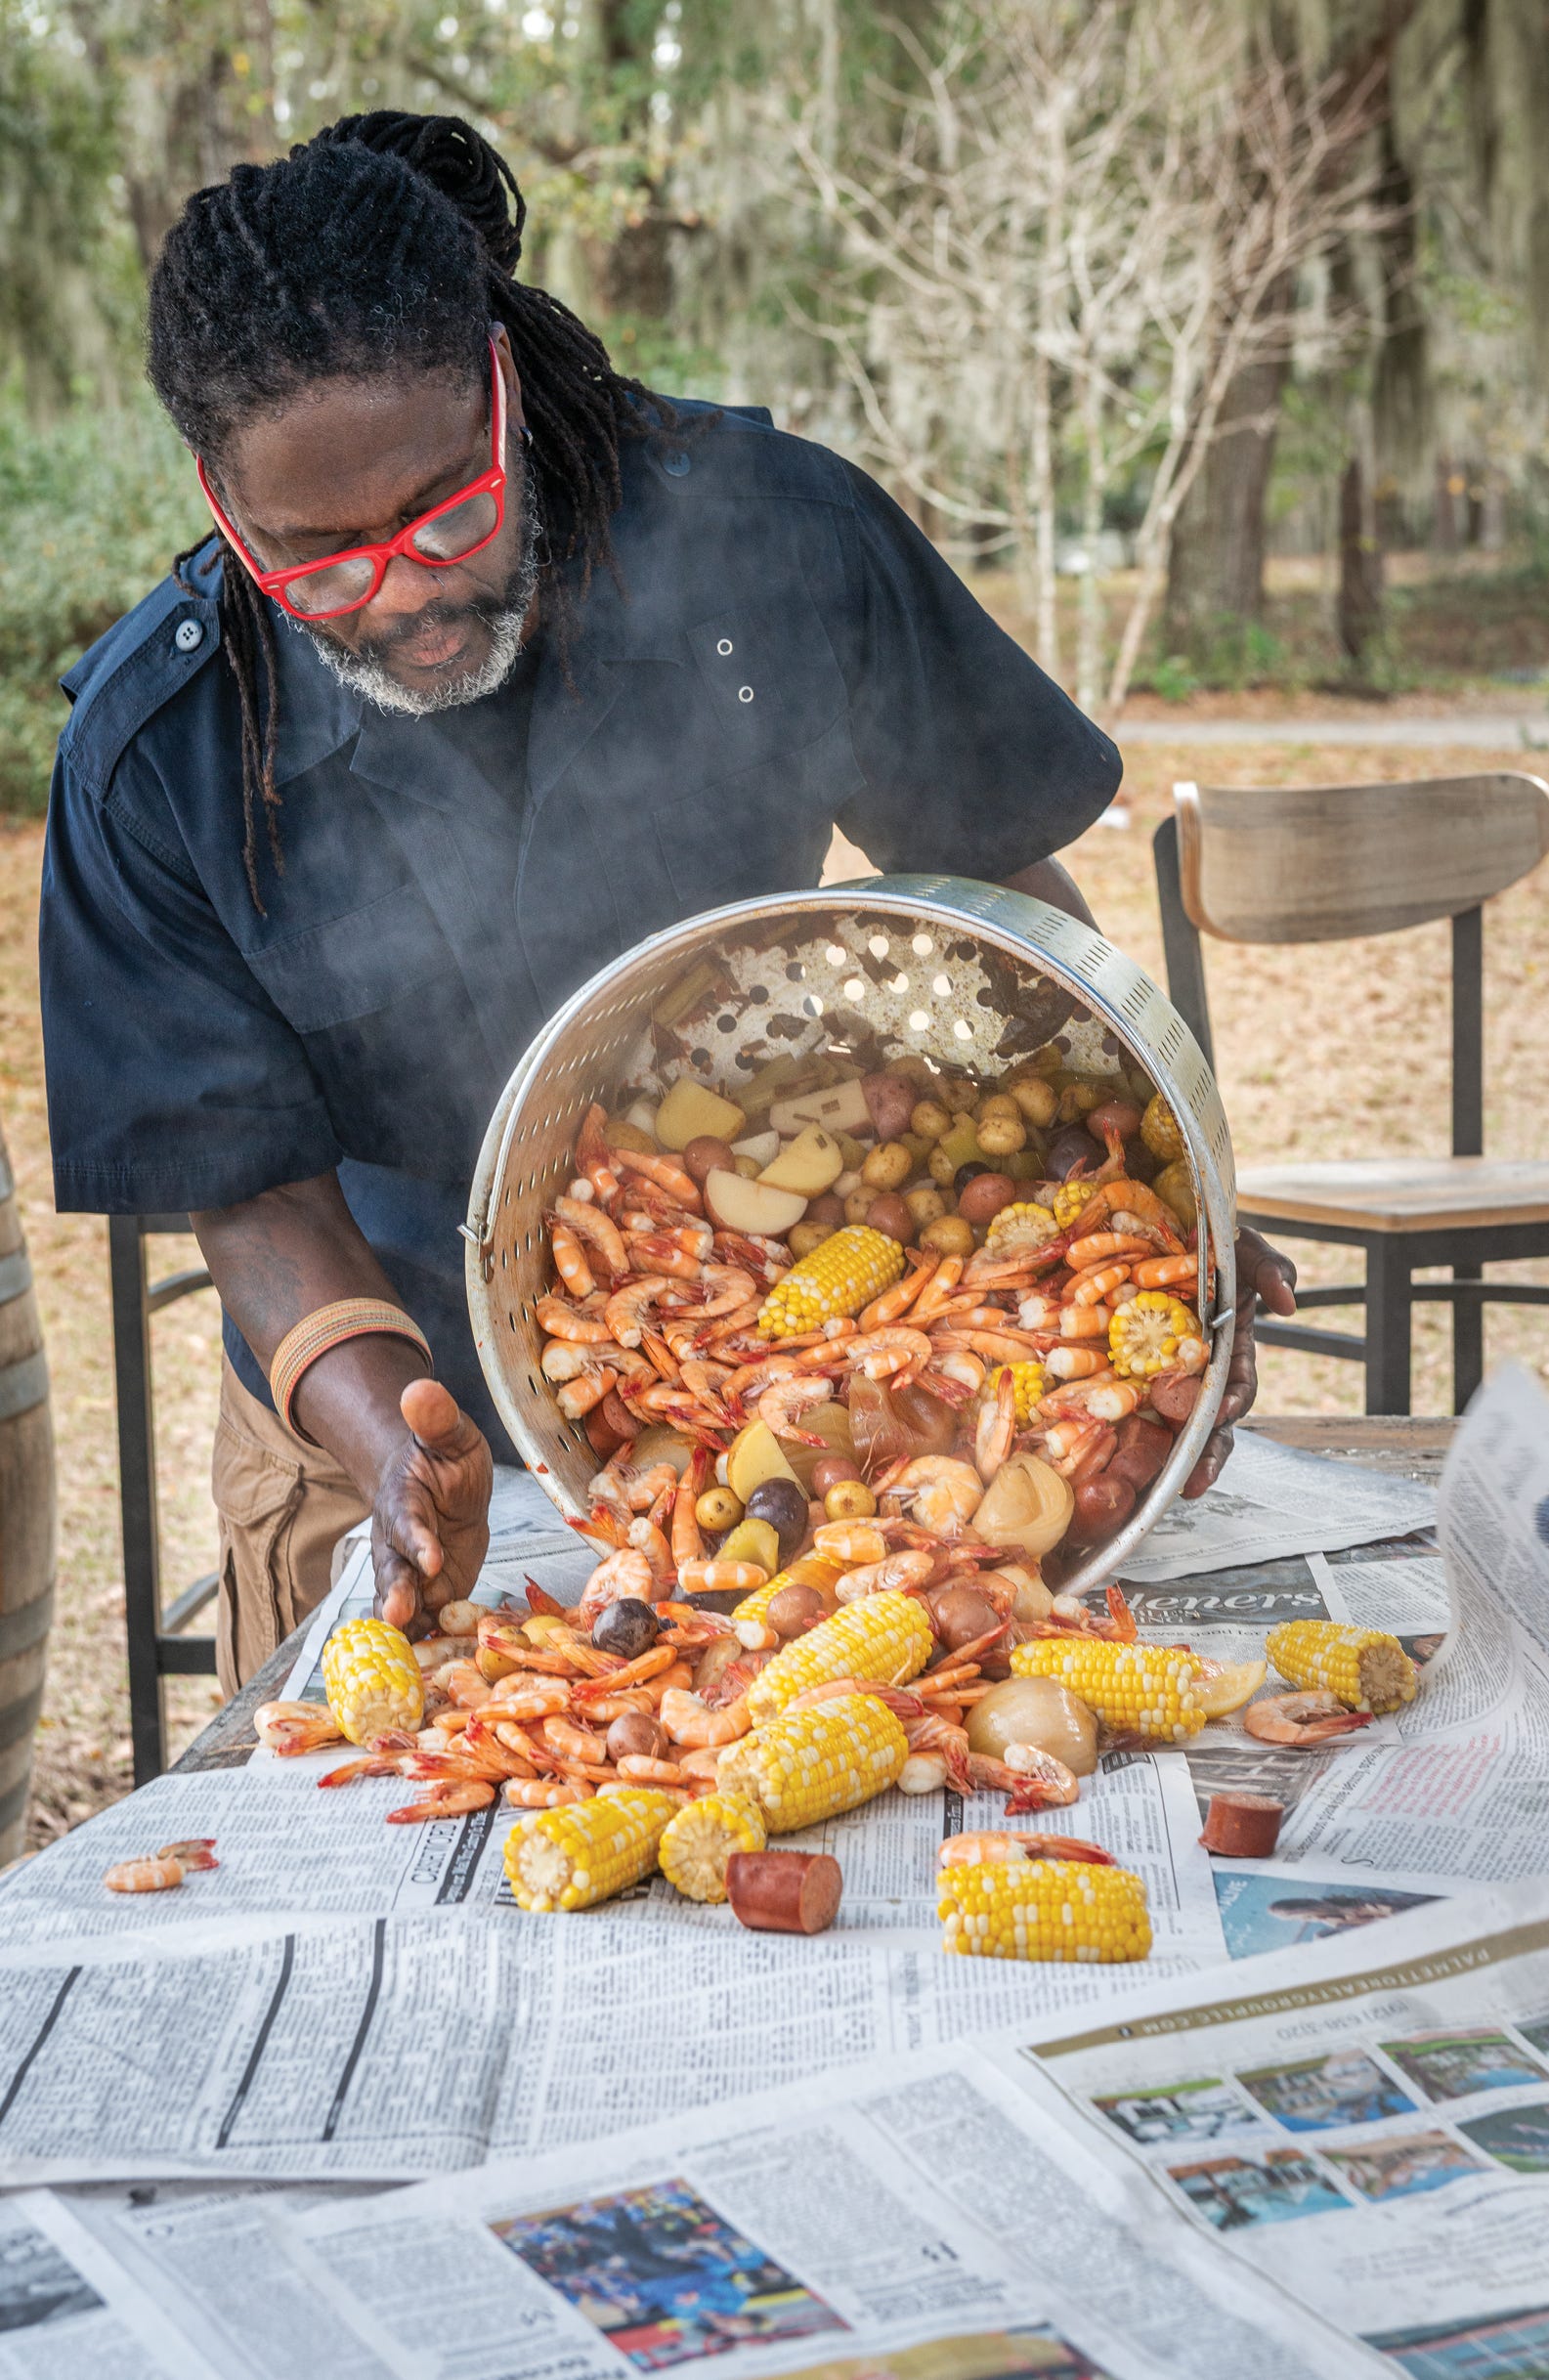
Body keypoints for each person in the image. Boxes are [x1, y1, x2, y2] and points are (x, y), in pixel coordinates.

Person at [39, 113, 1296, 1688]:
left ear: (500, 384)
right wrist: (398, 1448)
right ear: (225, 503)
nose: (408, 594)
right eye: (320, 563)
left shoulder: (779, 544)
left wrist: (1159, 1212)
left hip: (796, 1358)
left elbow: (1002, 888)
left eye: (446, 511)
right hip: (365, 1404)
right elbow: (255, 1197)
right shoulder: (156, 755)